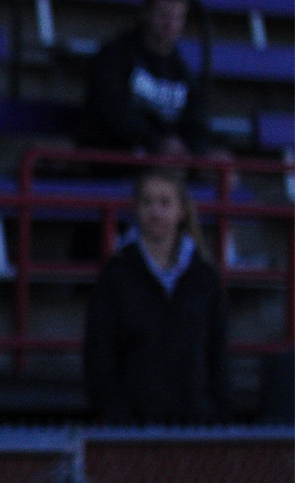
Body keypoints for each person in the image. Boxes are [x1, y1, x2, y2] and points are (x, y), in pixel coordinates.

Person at [84, 167, 229, 423]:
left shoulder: (205, 278)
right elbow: (99, 353)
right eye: (147, 202)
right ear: (136, 209)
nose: (155, 212)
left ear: (181, 210)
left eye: (165, 203)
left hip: (195, 423)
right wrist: (115, 415)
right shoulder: (115, 275)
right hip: (131, 426)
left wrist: (217, 416)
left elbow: (217, 353)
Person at [80, 0, 211, 159]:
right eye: (164, 15)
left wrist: (198, 150)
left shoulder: (182, 70)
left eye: (178, 17)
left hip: (167, 160)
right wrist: (157, 143)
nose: (170, 24)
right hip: (119, 158)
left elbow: (196, 122)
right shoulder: (114, 57)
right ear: (145, 14)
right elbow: (114, 114)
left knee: (220, 165)